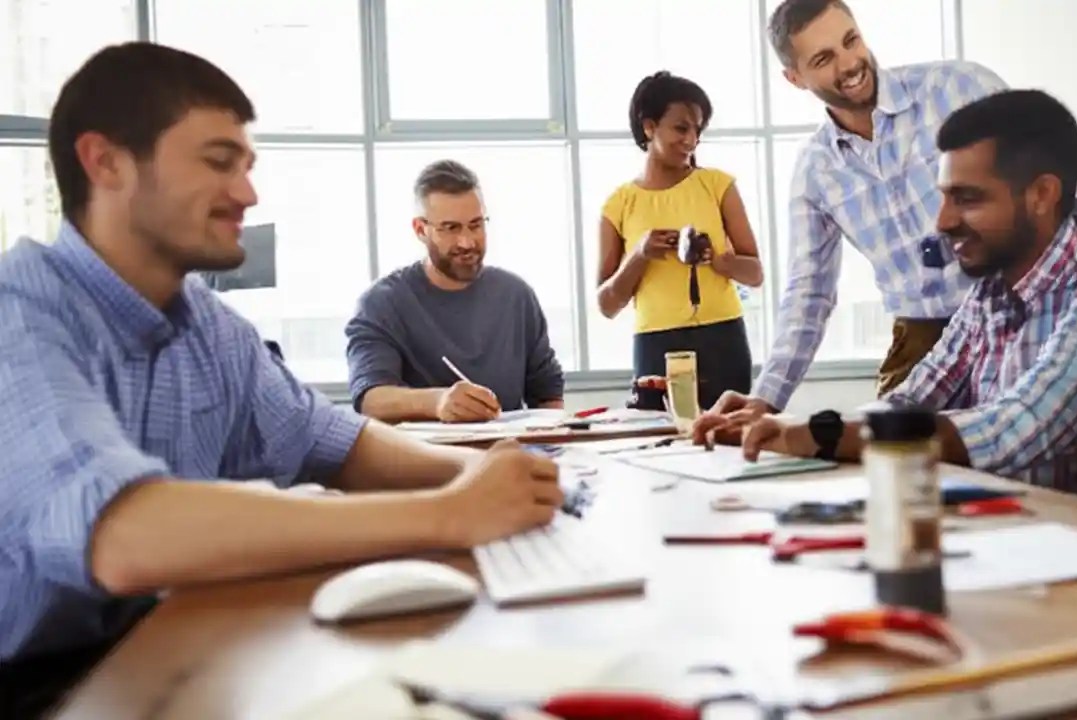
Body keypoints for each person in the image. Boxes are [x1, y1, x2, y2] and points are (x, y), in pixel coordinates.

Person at [0, 43, 561, 717]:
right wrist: (448, 515)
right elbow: (123, 535)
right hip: (33, 686)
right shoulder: (20, 316)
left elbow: (340, 443)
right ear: (107, 162)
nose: (247, 194)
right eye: (218, 163)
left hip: (161, 644)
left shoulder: (210, 328)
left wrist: (508, 478)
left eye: (248, 167)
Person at [694, 89, 1077, 502]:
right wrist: (785, 425)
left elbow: (1017, 430)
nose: (941, 221)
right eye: (943, 196)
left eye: (967, 198)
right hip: (1009, 537)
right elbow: (908, 403)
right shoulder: (989, 292)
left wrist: (816, 435)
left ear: (1041, 194)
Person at [708, 0, 1010, 421]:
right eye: (823, 58)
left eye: (851, 41)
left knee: (1008, 439)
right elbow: (809, 291)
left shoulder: (958, 88)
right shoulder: (816, 171)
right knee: (882, 453)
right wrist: (765, 399)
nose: (849, 63)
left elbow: (1041, 185)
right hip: (920, 333)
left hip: (1007, 305)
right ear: (795, 78)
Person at [345, 159, 565, 424]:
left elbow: (547, 394)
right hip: (421, 460)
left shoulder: (516, 296)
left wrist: (553, 448)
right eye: (450, 228)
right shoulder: (381, 303)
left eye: (476, 225)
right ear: (420, 230)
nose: (467, 242)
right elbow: (370, 398)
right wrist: (436, 402)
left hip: (508, 455)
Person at [596, 71, 764, 410]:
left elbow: (755, 273)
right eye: (681, 127)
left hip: (723, 338)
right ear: (649, 127)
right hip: (656, 344)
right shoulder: (618, 204)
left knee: (726, 442)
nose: (692, 139)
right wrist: (640, 254)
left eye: (698, 130)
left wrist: (716, 260)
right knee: (659, 439)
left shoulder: (718, 186)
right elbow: (607, 304)